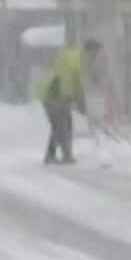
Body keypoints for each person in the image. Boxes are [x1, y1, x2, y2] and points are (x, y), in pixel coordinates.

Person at [38, 37, 100, 165]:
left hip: (58, 96)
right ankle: (67, 156)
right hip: (53, 96)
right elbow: (78, 85)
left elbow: (75, 83)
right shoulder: (79, 61)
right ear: (89, 50)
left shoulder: (78, 58)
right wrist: (81, 104)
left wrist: (77, 102)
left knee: (61, 127)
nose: (96, 56)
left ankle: (51, 156)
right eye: (95, 52)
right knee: (62, 127)